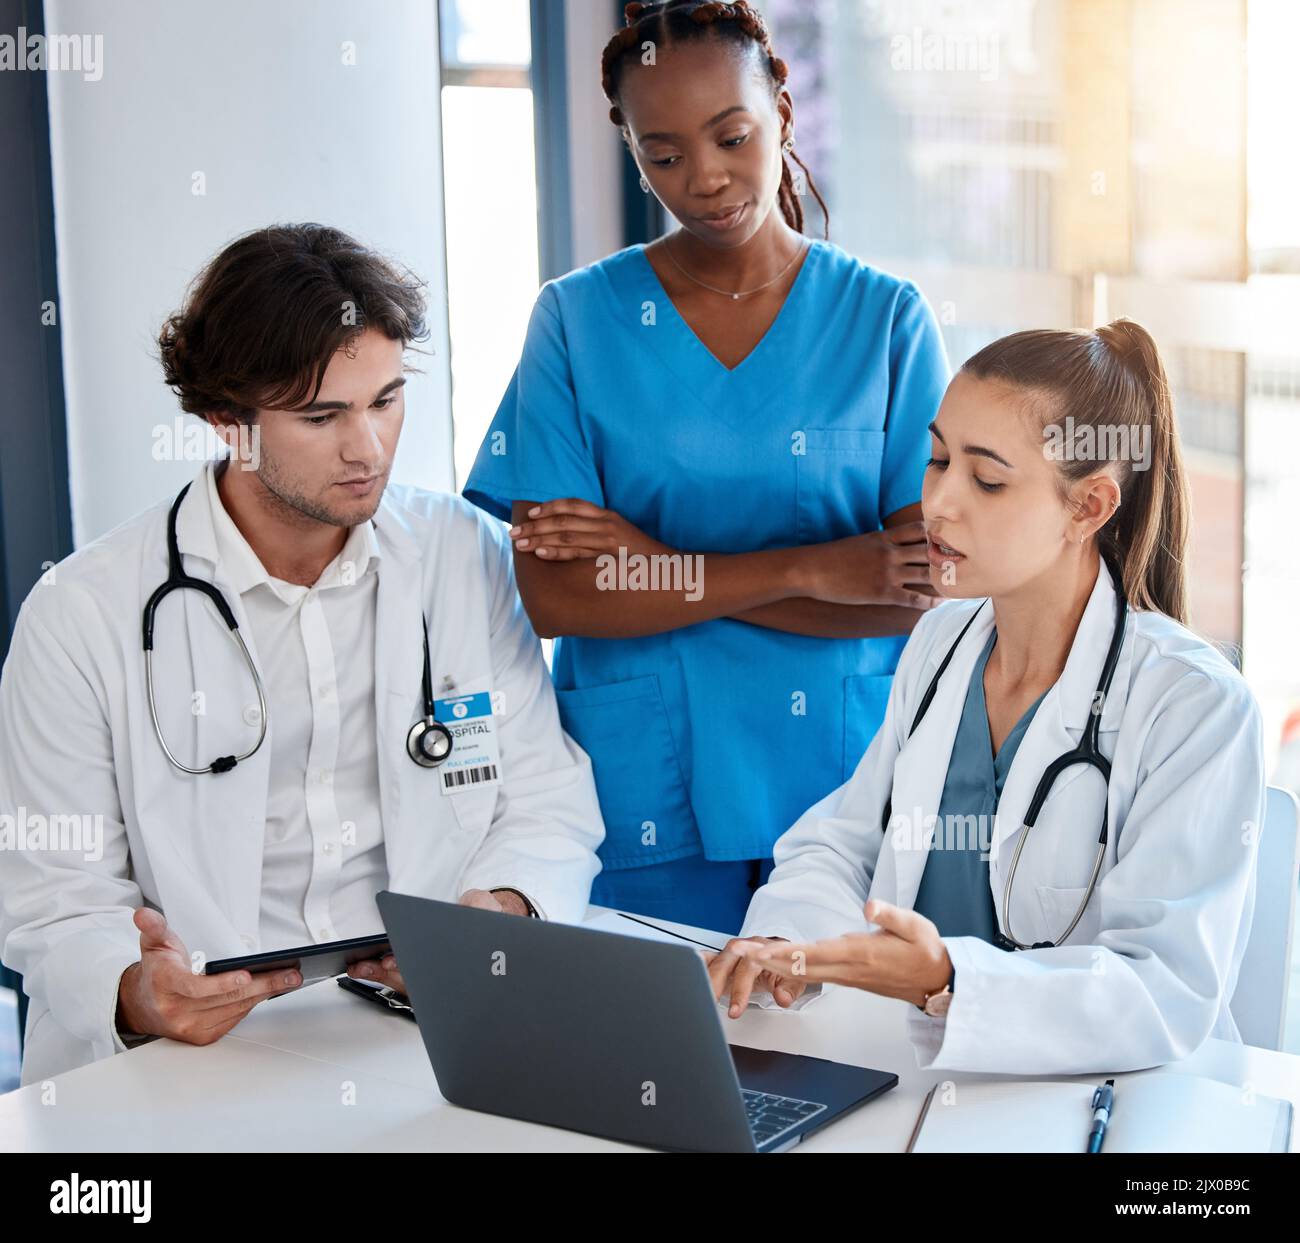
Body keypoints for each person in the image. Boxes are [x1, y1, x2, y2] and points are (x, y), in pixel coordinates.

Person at [0, 224, 604, 1083]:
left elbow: (544, 796)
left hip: (416, 1042)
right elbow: (53, 890)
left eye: (386, 399)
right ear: (226, 422)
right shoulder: (82, 614)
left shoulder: (461, 556)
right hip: (185, 1066)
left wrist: (496, 913)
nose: (370, 448)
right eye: (323, 416)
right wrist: (137, 990)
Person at [463, 0, 949, 932]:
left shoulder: (886, 321)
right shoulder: (576, 321)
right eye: (665, 154)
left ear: (783, 113)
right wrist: (813, 567)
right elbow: (559, 597)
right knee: (651, 1058)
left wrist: (651, 558)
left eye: (732, 136)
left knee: (854, 1057)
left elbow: (918, 590)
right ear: (633, 151)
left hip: (843, 784)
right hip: (647, 792)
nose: (707, 179)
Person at [709, 320, 1266, 1075]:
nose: (937, 502)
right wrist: (789, 938)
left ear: (1089, 508)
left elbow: (1161, 990)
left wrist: (948, 981)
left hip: (1109, 1109)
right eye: (937, 459)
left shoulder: (1195, 705)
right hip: (926, 1084)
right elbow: (843, 842)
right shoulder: (942, 645)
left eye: (988, 479)